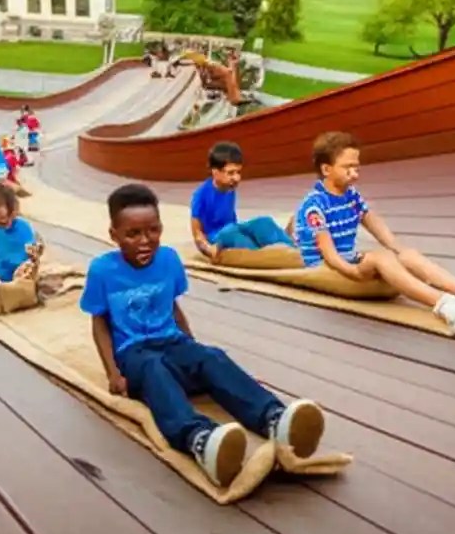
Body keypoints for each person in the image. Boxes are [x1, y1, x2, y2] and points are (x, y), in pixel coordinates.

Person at [80, 183, 327, 488]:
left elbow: (173, 306)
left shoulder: (168, 259)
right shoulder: (102, 271)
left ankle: (273, 418)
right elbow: (100, 323)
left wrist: (192, 346)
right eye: (133, 234)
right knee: (155, 371)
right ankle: (199, 439)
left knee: (212, 357)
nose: (145, 241)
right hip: (135, 354)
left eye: (153, 231)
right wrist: (113, 373)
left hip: (171, 341)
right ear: (114, 235)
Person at [291, 131, 455, 334]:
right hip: (327, 268)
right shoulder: (315, 205)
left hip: (347, 259)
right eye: (347, 168)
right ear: (326, 169)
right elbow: (329, 255)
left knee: (404, 254)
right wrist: (355, 273)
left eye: (357, 167)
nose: (354, 173)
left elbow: (372, 221)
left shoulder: (351, 195)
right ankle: (446, 307)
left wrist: (399, 250)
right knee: (380, 257)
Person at [190, 141, 293, 261]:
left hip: (233, 228)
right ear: (215, 172)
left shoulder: (229, 188)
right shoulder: (201, 195)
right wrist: (208, 249)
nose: (237, 178)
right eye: (231, 173)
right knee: (230, 232)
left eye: (238, 172)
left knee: (263, 222)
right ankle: (262, 256)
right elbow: (197, 234)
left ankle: (291, 247)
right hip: (218, 238)